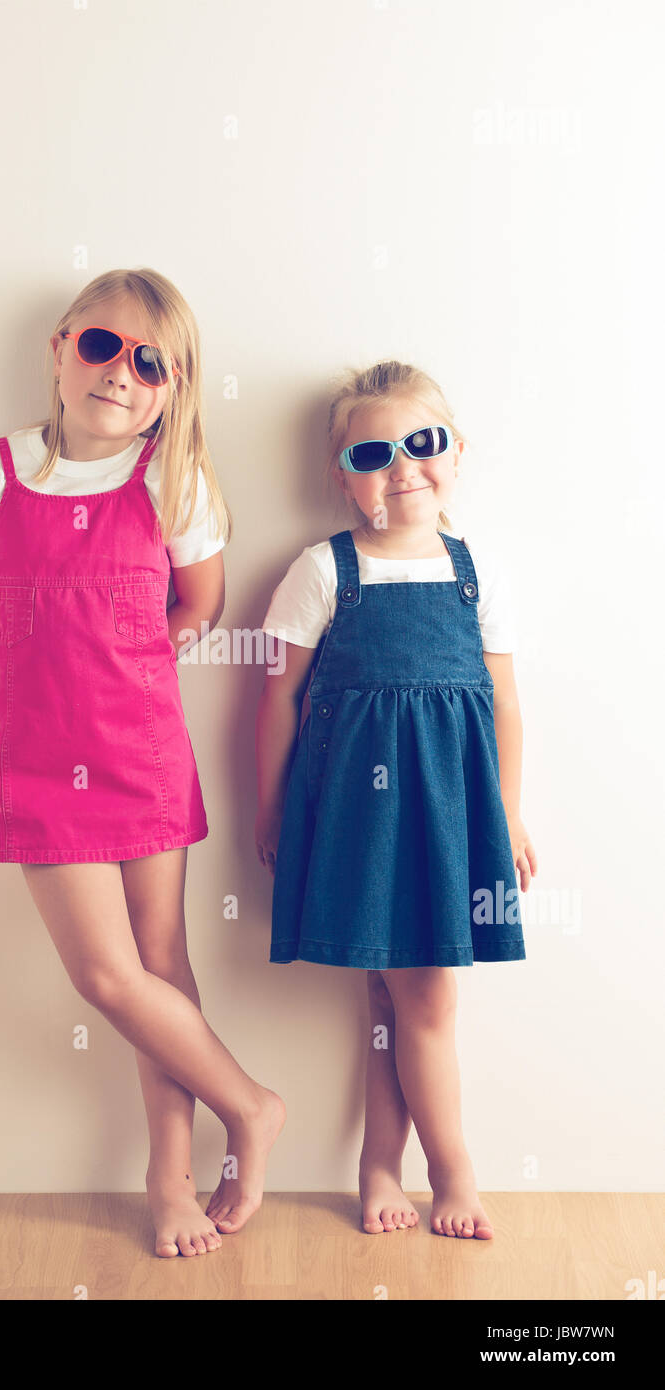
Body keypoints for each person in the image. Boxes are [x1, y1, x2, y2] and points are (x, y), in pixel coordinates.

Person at [0, 266, 285, 1258]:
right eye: (101, 345)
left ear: (171, 388)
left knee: (160, 966)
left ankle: (167, 1179)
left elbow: (200, 606)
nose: (120, 373)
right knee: (107, 973)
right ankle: (251, 1104)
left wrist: (118, 667)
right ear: (59, 348)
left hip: (138, 751)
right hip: (35, 760)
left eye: (150, 362)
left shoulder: (169, 480)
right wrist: (35, 668)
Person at [255, 360, 536, 1239]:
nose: (403, 466)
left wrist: (510, 811)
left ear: (456, 454)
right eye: (374, 453)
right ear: (343, 477)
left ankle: (399, 1169)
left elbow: (505, 707)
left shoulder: (474, 572)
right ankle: (438, 1174)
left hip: (450, 822)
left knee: (412, 1003)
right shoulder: (321, 570)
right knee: (405, 1001)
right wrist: (270, 809)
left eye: (424, 444)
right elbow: (276, 703)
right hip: (358, 818)